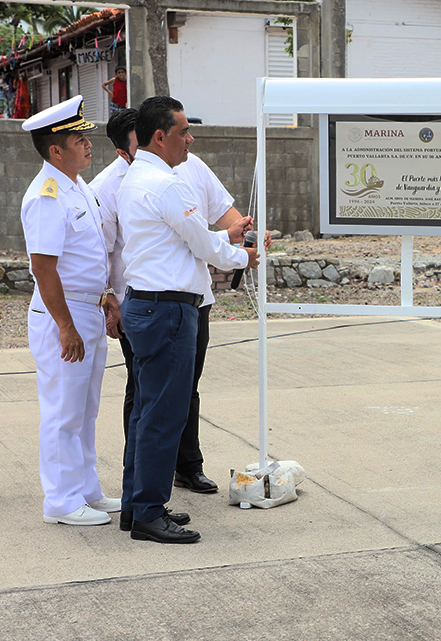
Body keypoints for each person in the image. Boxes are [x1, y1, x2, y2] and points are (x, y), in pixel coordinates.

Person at [93, 109, 263, 527]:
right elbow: (204, 248)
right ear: (159, 136)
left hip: (149, 305)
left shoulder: (135, 178)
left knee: (146, 412)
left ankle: (137, 507)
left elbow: (184, 239)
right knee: (163, 416)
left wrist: (228, 237)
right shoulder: (167, 184)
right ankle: (150, 512)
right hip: (168, 310)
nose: (190, 140)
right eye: (183, 133)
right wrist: (244, 255)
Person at [20, 95, 122, 526]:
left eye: (85, 137)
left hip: (89, 310)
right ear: (55, 149)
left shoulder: (79, 187)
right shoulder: (46, 196)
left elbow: (91, 254)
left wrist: (107, 297)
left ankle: (86, 489)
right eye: (78, 139)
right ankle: (61, 501)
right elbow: (44, 267)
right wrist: (65, 325)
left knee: (85, 409)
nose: (88, 144)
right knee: (63, 410)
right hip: (62, 314)